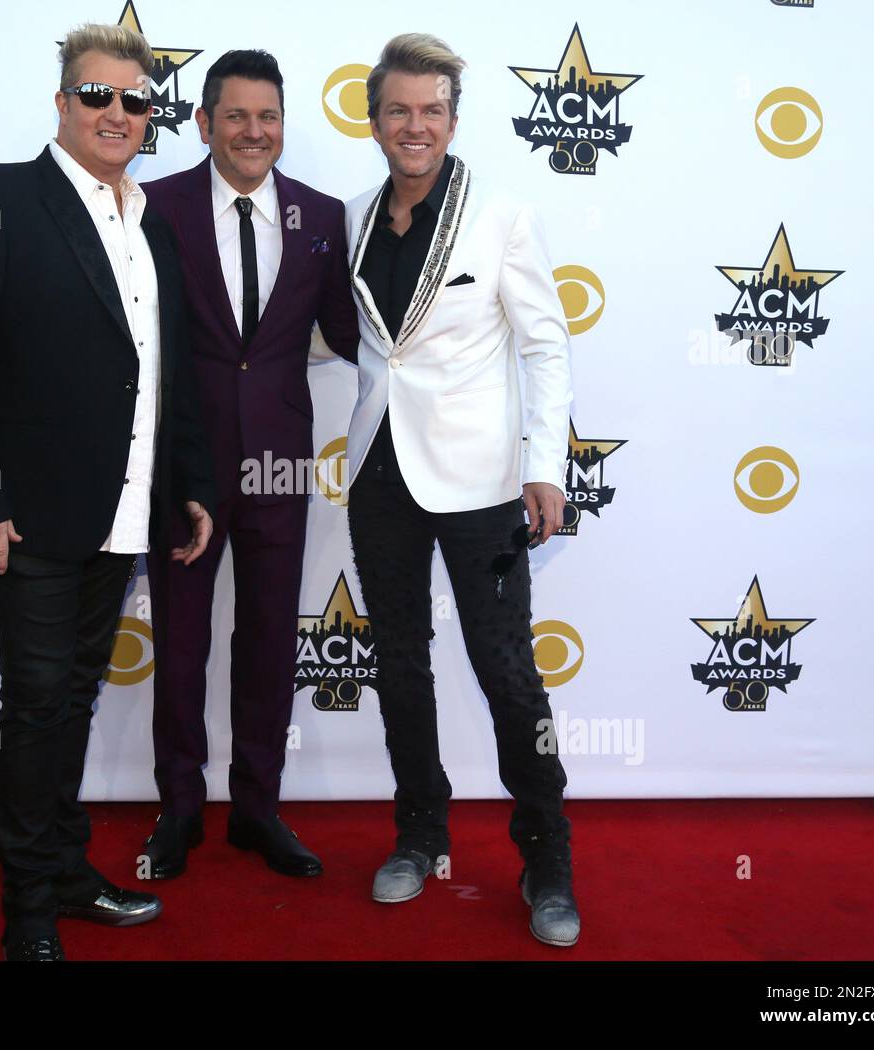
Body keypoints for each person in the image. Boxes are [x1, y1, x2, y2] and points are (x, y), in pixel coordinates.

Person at [0, 23, 215, 961]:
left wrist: (186, 488)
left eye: (135, 100)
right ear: (62, 100)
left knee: (72, 699)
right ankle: (30, 908)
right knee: (40, 705)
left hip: (123, 512)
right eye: (98, 95)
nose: (117, 112)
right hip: (27, 515)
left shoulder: (150, 221)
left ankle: (66, 871)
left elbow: (165, 372)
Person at [341, 33, 580, 946]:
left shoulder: (504, 216)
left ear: (453, 118)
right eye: (398, 109)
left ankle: (548, 855)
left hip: (483, 483)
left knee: (508, 673)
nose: (415, 125)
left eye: (431, 110)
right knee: (398, 662)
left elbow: (546, 343)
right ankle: (419, 832)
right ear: (374, 118)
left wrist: (544, 462)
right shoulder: (357, 215)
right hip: (379, 473)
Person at [137, 50, 359, 880]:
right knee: (182, 642)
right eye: (236, 116)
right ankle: (180, 810)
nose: (253, 132)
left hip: (279, 465)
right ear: (203, 122)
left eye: (267, 117)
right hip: (184, 468)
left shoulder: (322, 217)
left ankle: (259, 809)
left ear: (283, 125)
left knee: (269, 639)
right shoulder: (153, 207)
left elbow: (346, 332)